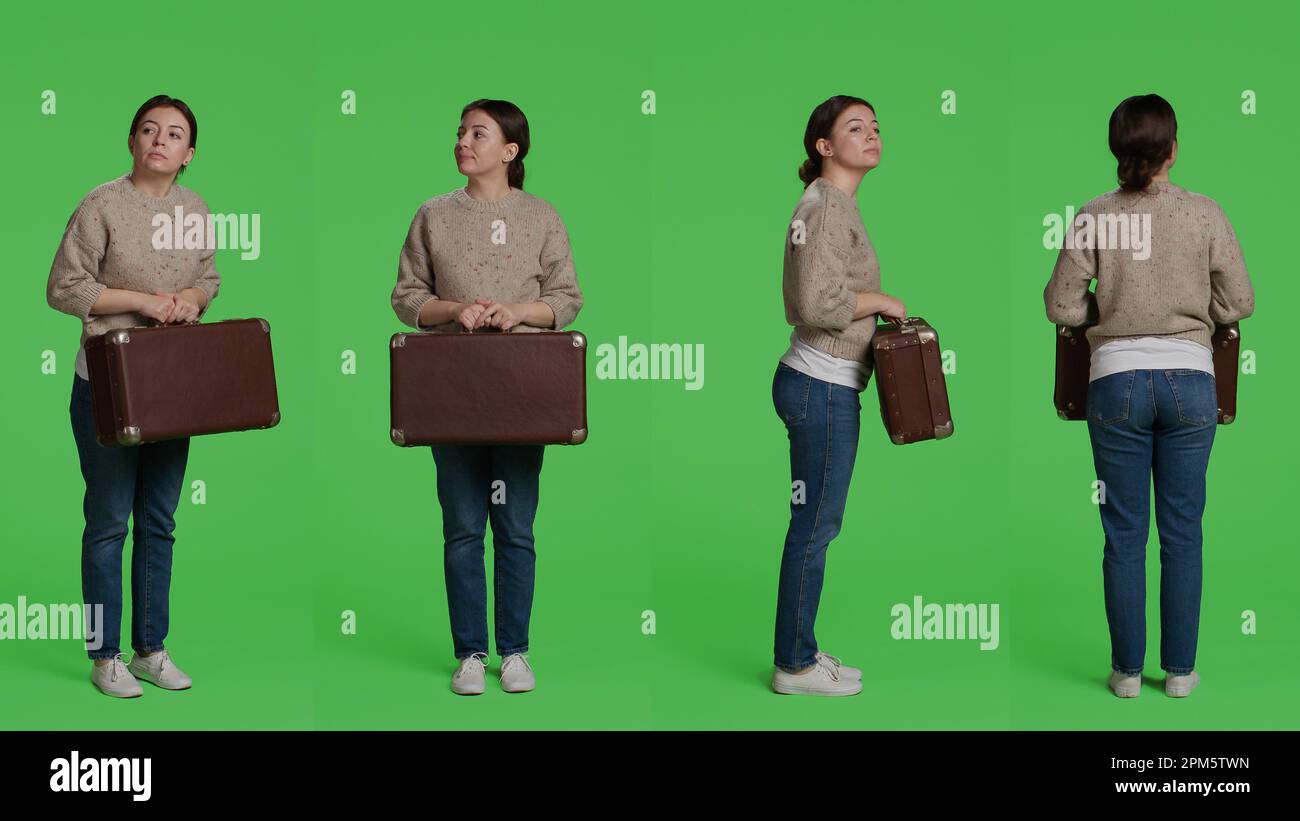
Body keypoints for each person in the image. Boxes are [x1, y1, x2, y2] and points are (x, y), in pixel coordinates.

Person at [1044, 93, 1255, 699]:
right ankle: (1182, 672)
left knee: (1123, 532)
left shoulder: (1092, 215)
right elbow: (1239, 301)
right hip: (1190, 381)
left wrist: (1108, 309)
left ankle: (1127, 672)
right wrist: (1195, 316)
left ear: (1118, 150)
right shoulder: (1205, 213)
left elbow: (1059, 305)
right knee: (1184, 530)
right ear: (1172, 149)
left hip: (1114, 384)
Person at [391, 98, 583, 696]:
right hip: (452, 388)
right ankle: (471, 652)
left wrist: (518, 311)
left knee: (516, 526)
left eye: (478, 133)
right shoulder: (431, 215)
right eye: (460, 132)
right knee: (463, 525)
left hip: (522, 388)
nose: (463, 142)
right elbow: (406, 297)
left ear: (510, 150)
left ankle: (516, 651)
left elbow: (568, 298)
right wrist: (456, 310)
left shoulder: (543, 216)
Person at [47, 94, 220, 698]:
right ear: (132, 141)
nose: (159, 140)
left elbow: (207, 278)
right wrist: (142, 301)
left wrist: (191, 302)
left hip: (172, 385)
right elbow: (64, 288)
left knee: (159, 520)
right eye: (148, 129)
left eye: (174, 134)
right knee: (107, 523)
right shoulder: (101, 205)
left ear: (188, 153)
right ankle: (105, 656)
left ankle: (150, 648)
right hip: (107, 385)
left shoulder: (195, 208)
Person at [770, 95, 907, 696]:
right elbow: (814, 305)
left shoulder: (832, 204)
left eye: (875, 126)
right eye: (856, 127)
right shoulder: (826, 207)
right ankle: (793, 666)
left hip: (822, 381)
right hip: (820, 383)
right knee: (814, 526)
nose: (872, 134)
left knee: (817, 522)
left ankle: (800, 649)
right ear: (824, 146)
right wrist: (880, 302)